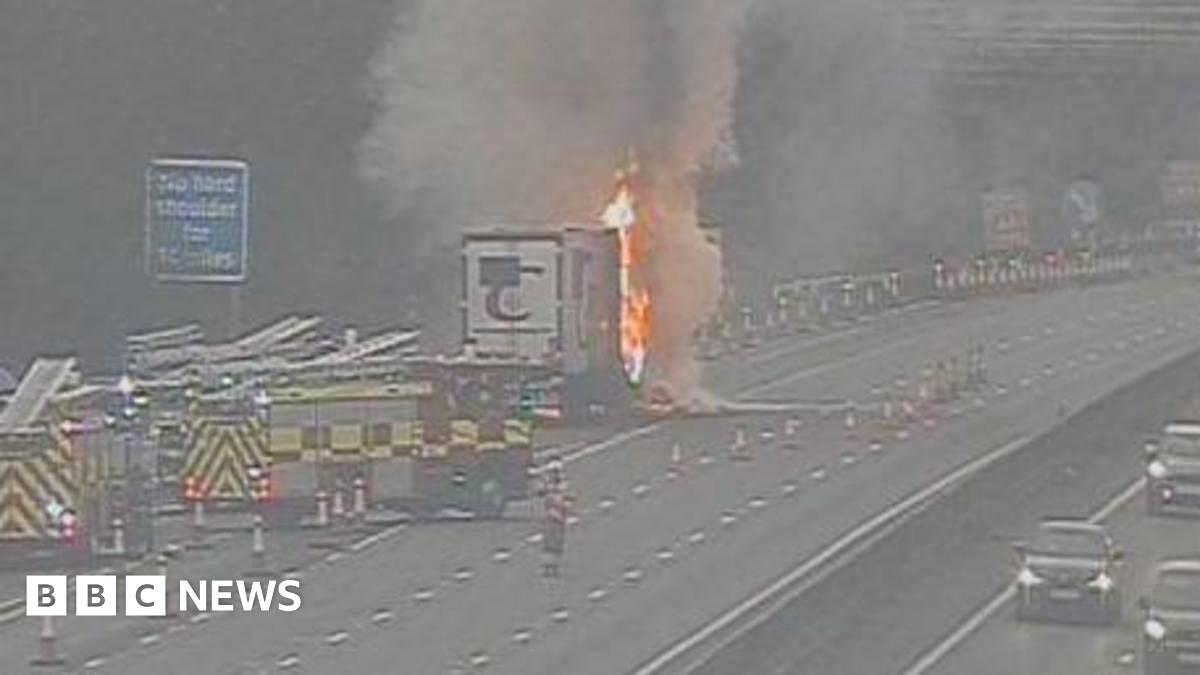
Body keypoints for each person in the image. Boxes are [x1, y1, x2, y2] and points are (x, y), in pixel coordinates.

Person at [540, 457, 572, 578]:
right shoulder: (548, 484)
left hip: (559, 517)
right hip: (550, 516)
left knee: (557, 542)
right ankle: (548, 566)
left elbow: (568, 497)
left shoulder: (563, 485)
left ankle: (554, 566)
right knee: (549, 541)